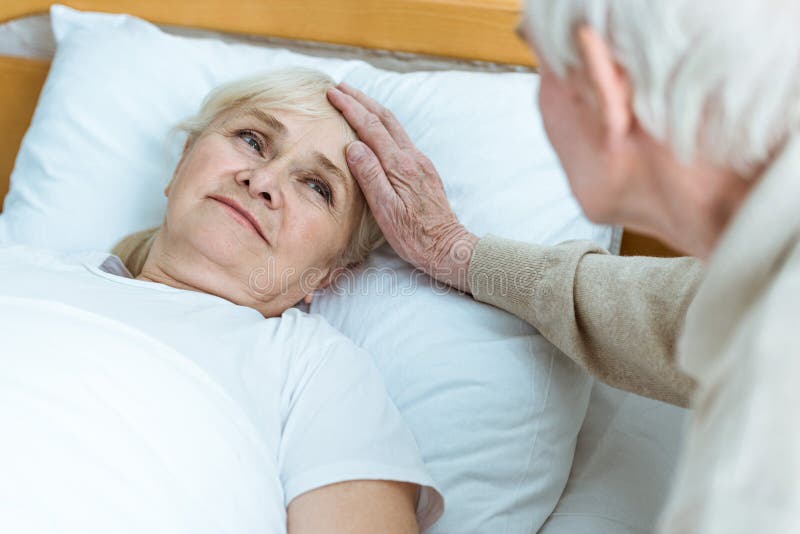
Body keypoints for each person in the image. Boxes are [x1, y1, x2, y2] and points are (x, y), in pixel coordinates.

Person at [326, 0, 800, 532]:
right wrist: (460, 252)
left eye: (539, 68)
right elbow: (682, 312)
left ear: (603, 89)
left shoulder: (773, 405)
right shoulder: (766, 276)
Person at [0, 67, 442, 533]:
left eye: (317, 186)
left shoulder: (314, 369)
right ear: (181, 162)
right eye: (252, 140)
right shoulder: (17, 268)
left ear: (330, 273)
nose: (263, 179)